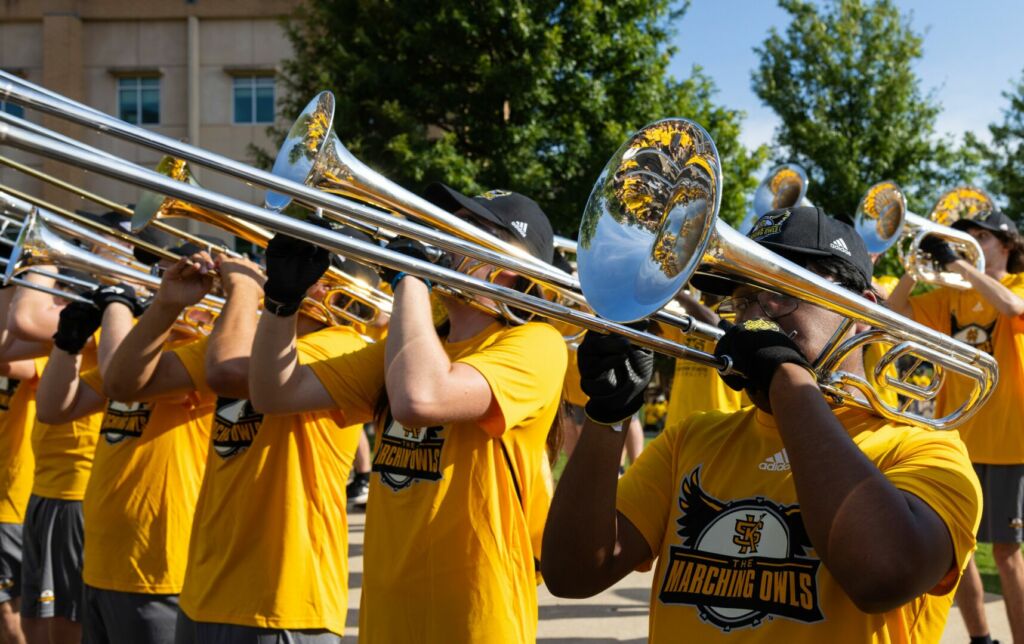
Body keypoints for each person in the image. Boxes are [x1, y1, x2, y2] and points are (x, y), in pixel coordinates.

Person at [543, 206, 982, 642]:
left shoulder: (928, 451)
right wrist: (608, 416)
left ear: (861, 311)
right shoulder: (691, 438)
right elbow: (573, 574)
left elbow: (882, 574)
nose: (754, 316)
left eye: (781, 292)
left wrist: (784, 375)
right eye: (744, 299)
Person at [249, 185, 566, 643]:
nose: (443, 238)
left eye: (469, 229)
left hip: (475, 622)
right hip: (385, 618)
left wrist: (409, 280)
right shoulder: (402, 346)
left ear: (510, 270)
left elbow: (422, 399)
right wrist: (281, 303)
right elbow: (273, 392)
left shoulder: (537, 345)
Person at [171, 249, 370, 643]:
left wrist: (245, 289)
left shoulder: (345, 345)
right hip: (204, 591)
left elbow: (227, 371)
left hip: (282, 601)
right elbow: (124, 382)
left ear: (329, 286)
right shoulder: (252, 334)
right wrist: (164, 306)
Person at [34, 273, 213, 644]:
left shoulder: (197, 360)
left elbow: (121, 379)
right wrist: (66, 345)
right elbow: (53, 408)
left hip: (158, 564)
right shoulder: (136, 361)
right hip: (102, 557)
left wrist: (119, 304)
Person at [888, 209, 1024, 644]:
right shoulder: (948, 297)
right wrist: (916, 264)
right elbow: (894, 311)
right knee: (957, 553)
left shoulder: (1018, 284)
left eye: (979, 238)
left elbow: (1010, 307)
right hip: (957, 441)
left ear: (1006, 243)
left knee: (1006, 554)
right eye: (960, 240)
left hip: (1009, 443)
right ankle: (982, 639)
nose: (968, 245)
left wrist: (956, 262)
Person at [7, 269, 103, 644]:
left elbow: (25, 318)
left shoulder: (120, 321)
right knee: (36, 625)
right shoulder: (81, 326)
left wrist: (40, 263)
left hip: (76, 494)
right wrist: (12, 277)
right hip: (45, 492)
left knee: (63, 629)